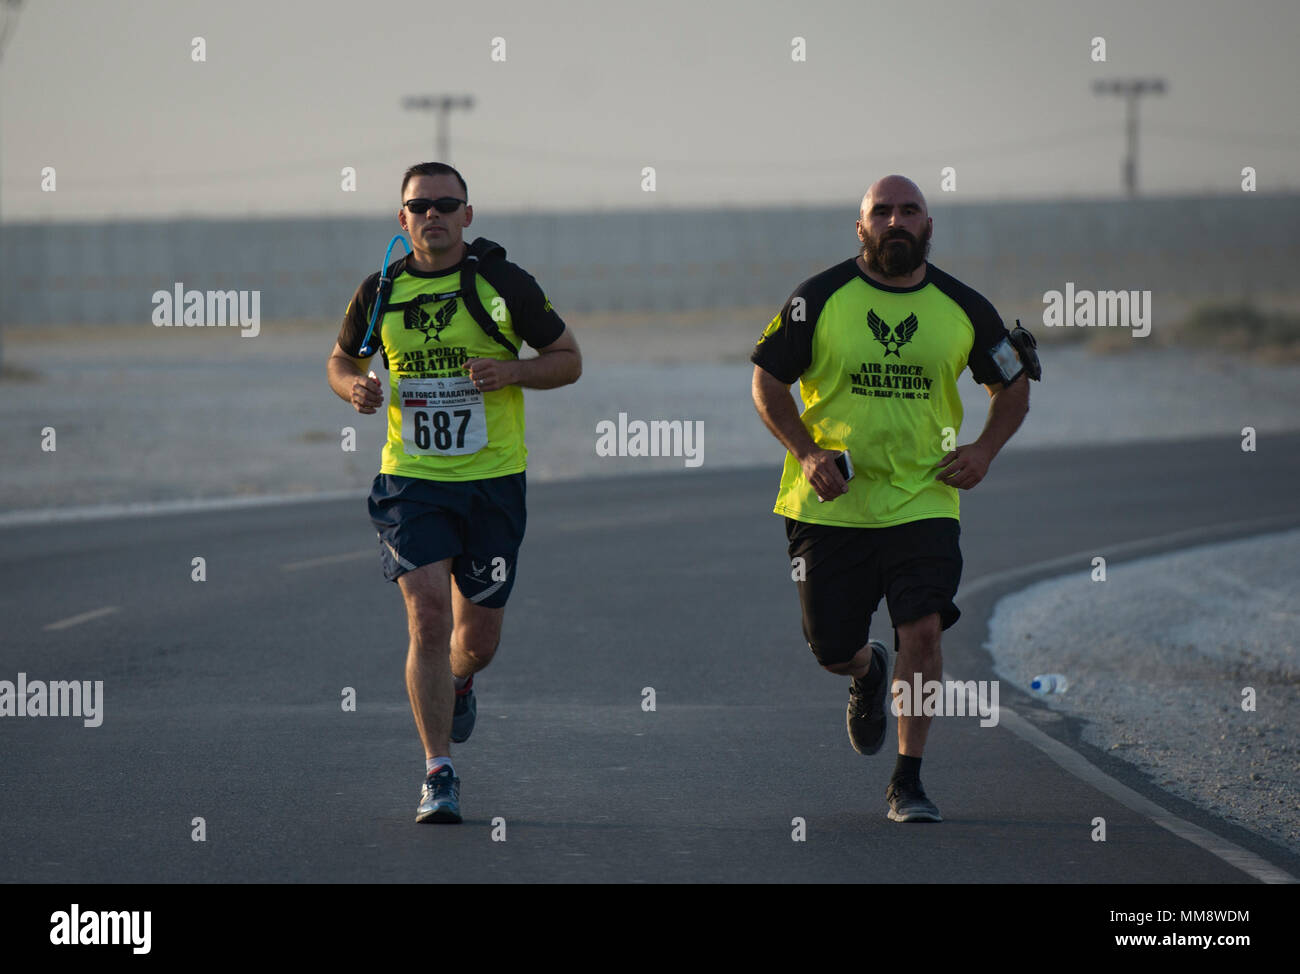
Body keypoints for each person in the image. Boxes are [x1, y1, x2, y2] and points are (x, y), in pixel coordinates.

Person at [750, 174, 1032, 823]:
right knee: (831, 649)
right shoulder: (817, 298)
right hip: (830, 504)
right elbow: (767, 381)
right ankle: (867, 671)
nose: (896, 221)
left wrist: (984, 450)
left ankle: (908, 780)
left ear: (928, 225)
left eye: (909, 211)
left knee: (923, 630)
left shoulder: (965, 307)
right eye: (882, 212)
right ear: (861, 227)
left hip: (923, 499)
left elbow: (1012, 386)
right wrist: (808, 454)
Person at [327, 162, 581, 823]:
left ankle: (461, 679)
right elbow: (342, 358)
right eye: (420, 205)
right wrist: (354, 388)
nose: (432, 214)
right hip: (412, 481)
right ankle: (438, 773)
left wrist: (512, 372)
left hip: (492, 483)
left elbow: (568, 360)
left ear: (468, 214)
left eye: (446, 203)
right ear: (402, 218)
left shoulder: (504, 283)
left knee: (477, 640)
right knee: (428, 618)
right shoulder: (380, 290)